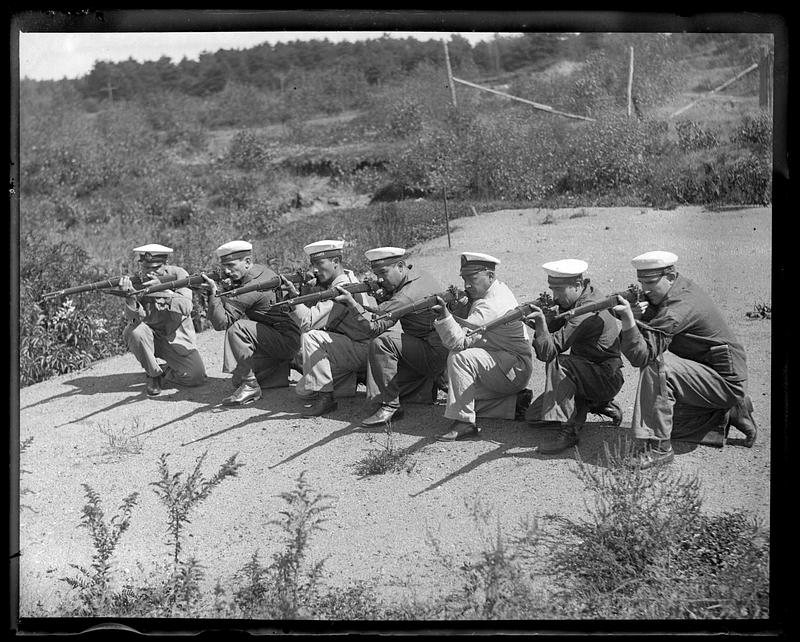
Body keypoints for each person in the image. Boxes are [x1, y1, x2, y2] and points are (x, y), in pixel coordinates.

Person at [611, 250, 757, 469]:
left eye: (651, 282)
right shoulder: (679, 288)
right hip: (713, 373)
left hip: (725, 381)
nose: (646, 289)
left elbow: (642, 357)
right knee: (670, 424)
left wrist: (629, 322)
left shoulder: (676, 308)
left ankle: (659, 448)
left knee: (657, 367)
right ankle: (729, 411)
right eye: (642, 283)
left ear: (670, 276)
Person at [331, 247, 451, 426]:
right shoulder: (417, 275)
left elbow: (374, 328)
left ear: (401, 266)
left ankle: (390, 406)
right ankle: (425, 387)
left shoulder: (406, 295)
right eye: (376, 274)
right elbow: (388, 316)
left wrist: (352, 304)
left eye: (383, 273)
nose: (379, 279)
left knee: (382, 342)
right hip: (440, 349)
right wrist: (383, 297)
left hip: (433, 354)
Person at [523, 259, 624, 454]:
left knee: (559, 362)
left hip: (604, 378)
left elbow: (549, 352)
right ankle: (591, 404)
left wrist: (541, 324)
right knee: (534, 417)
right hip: (585, 374)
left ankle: (569, 431)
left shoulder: (586, 310)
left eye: (559, 290)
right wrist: (535, 320)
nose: (555, 296)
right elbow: (556, 327)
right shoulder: (582, 297)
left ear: (577, 285)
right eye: (552, 290)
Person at [430, 252, 533, 440]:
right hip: (506, 363)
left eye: (473, 279)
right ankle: (512, 405)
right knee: (459, 399)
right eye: (464, 279)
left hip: (512, 369)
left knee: (459, 357)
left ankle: (464, 423)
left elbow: (458, 342)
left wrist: (444, 315)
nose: (467, 285)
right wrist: (459, 307)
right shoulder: (496, 289)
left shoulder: (490, 305)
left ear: (490, 276)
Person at [282, 240, 378, 417]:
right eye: (313, 264)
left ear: (335, 262)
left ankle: (326, 399)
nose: (315, 270)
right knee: (304, 390)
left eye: (319, 263)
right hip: (351, 347)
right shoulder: (344, 277)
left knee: (311, 337)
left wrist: (293, 297)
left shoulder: (340, 287)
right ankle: (356, 377)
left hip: (362, 347)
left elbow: (308, 322)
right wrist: (308, 288)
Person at [202, 240, 300, 406]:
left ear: (247, 262)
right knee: (236, 380)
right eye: (224, 266)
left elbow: (222, 323)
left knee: (237, 328)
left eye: (231, 265)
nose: (226, 271)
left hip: (286, 340)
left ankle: (250, 385)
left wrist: (214, 293)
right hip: (282, 336)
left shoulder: (251, 287)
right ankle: (280, 368)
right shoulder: (260, 272)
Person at [120, 244, 206, 396]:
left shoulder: (179, 274)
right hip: (151, 338)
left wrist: (162, 290)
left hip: (176, 339)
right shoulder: (138, 279)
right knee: (133, 331)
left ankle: (167, 370)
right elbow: (133, 319)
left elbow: (186, 307)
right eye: (146, 267)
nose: (150, 272)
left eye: (156, 267)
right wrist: (130, 298)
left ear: (166, 264)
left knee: (196, 377)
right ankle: (154, 375)